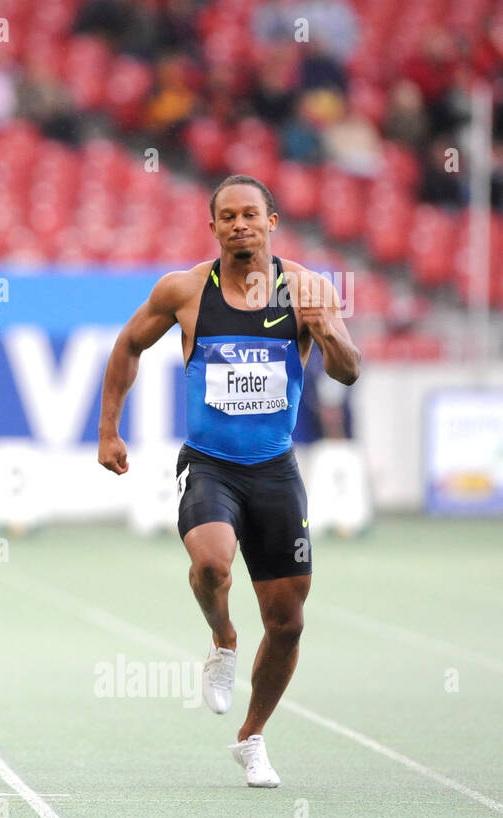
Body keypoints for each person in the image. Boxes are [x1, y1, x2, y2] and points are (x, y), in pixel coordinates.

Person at [97, 174, 360, 786]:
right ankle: (222, 637)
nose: (240, 225)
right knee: (212, 566)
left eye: (251, 214)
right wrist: (109, 430)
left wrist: (325, 331)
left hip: (275, 470)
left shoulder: (308, 290)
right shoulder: (185, 291)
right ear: (212, 227)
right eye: (228, 217)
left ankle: (253, 736)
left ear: (273, 221)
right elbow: (127, 346)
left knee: (290, 620)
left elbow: (348, 372)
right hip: (210, 464)